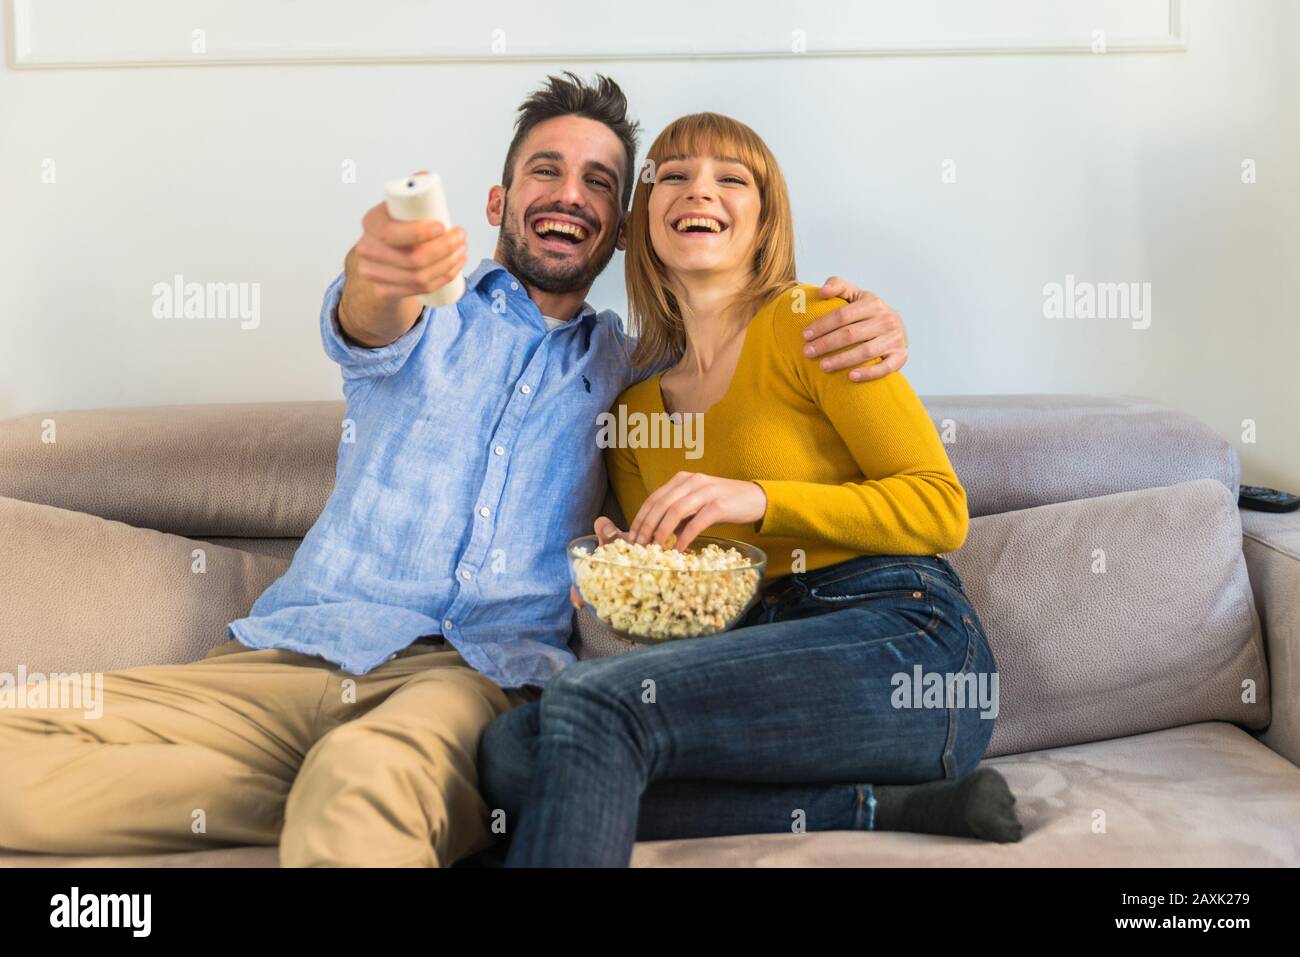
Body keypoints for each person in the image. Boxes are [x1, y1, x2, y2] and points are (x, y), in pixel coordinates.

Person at [0, 75, 911, 867]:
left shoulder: (635, 375)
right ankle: (411, 801)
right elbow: (370, 313)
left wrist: (873, 321)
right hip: (288, 655)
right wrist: (380, 269)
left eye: (599, 180)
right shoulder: (432, 317)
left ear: (625, 227)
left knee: (362, 784)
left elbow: (734, 373)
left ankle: (392, 789)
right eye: (545, 170)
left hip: (470, 675)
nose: (570, 192)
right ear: (496, 201)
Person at [479, 112, 1022, 868]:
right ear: (635, 225)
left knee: (592, 704)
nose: (700, 188)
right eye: (674, 174)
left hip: (907, 644)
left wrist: (759, 498)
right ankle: (876, 809)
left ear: (764, 221)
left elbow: (941, 507)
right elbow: (693, 624)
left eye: (732, 178)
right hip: (766, 662)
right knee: (513, 751)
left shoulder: (819, 324)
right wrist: (631, 582)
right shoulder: (634, 412)